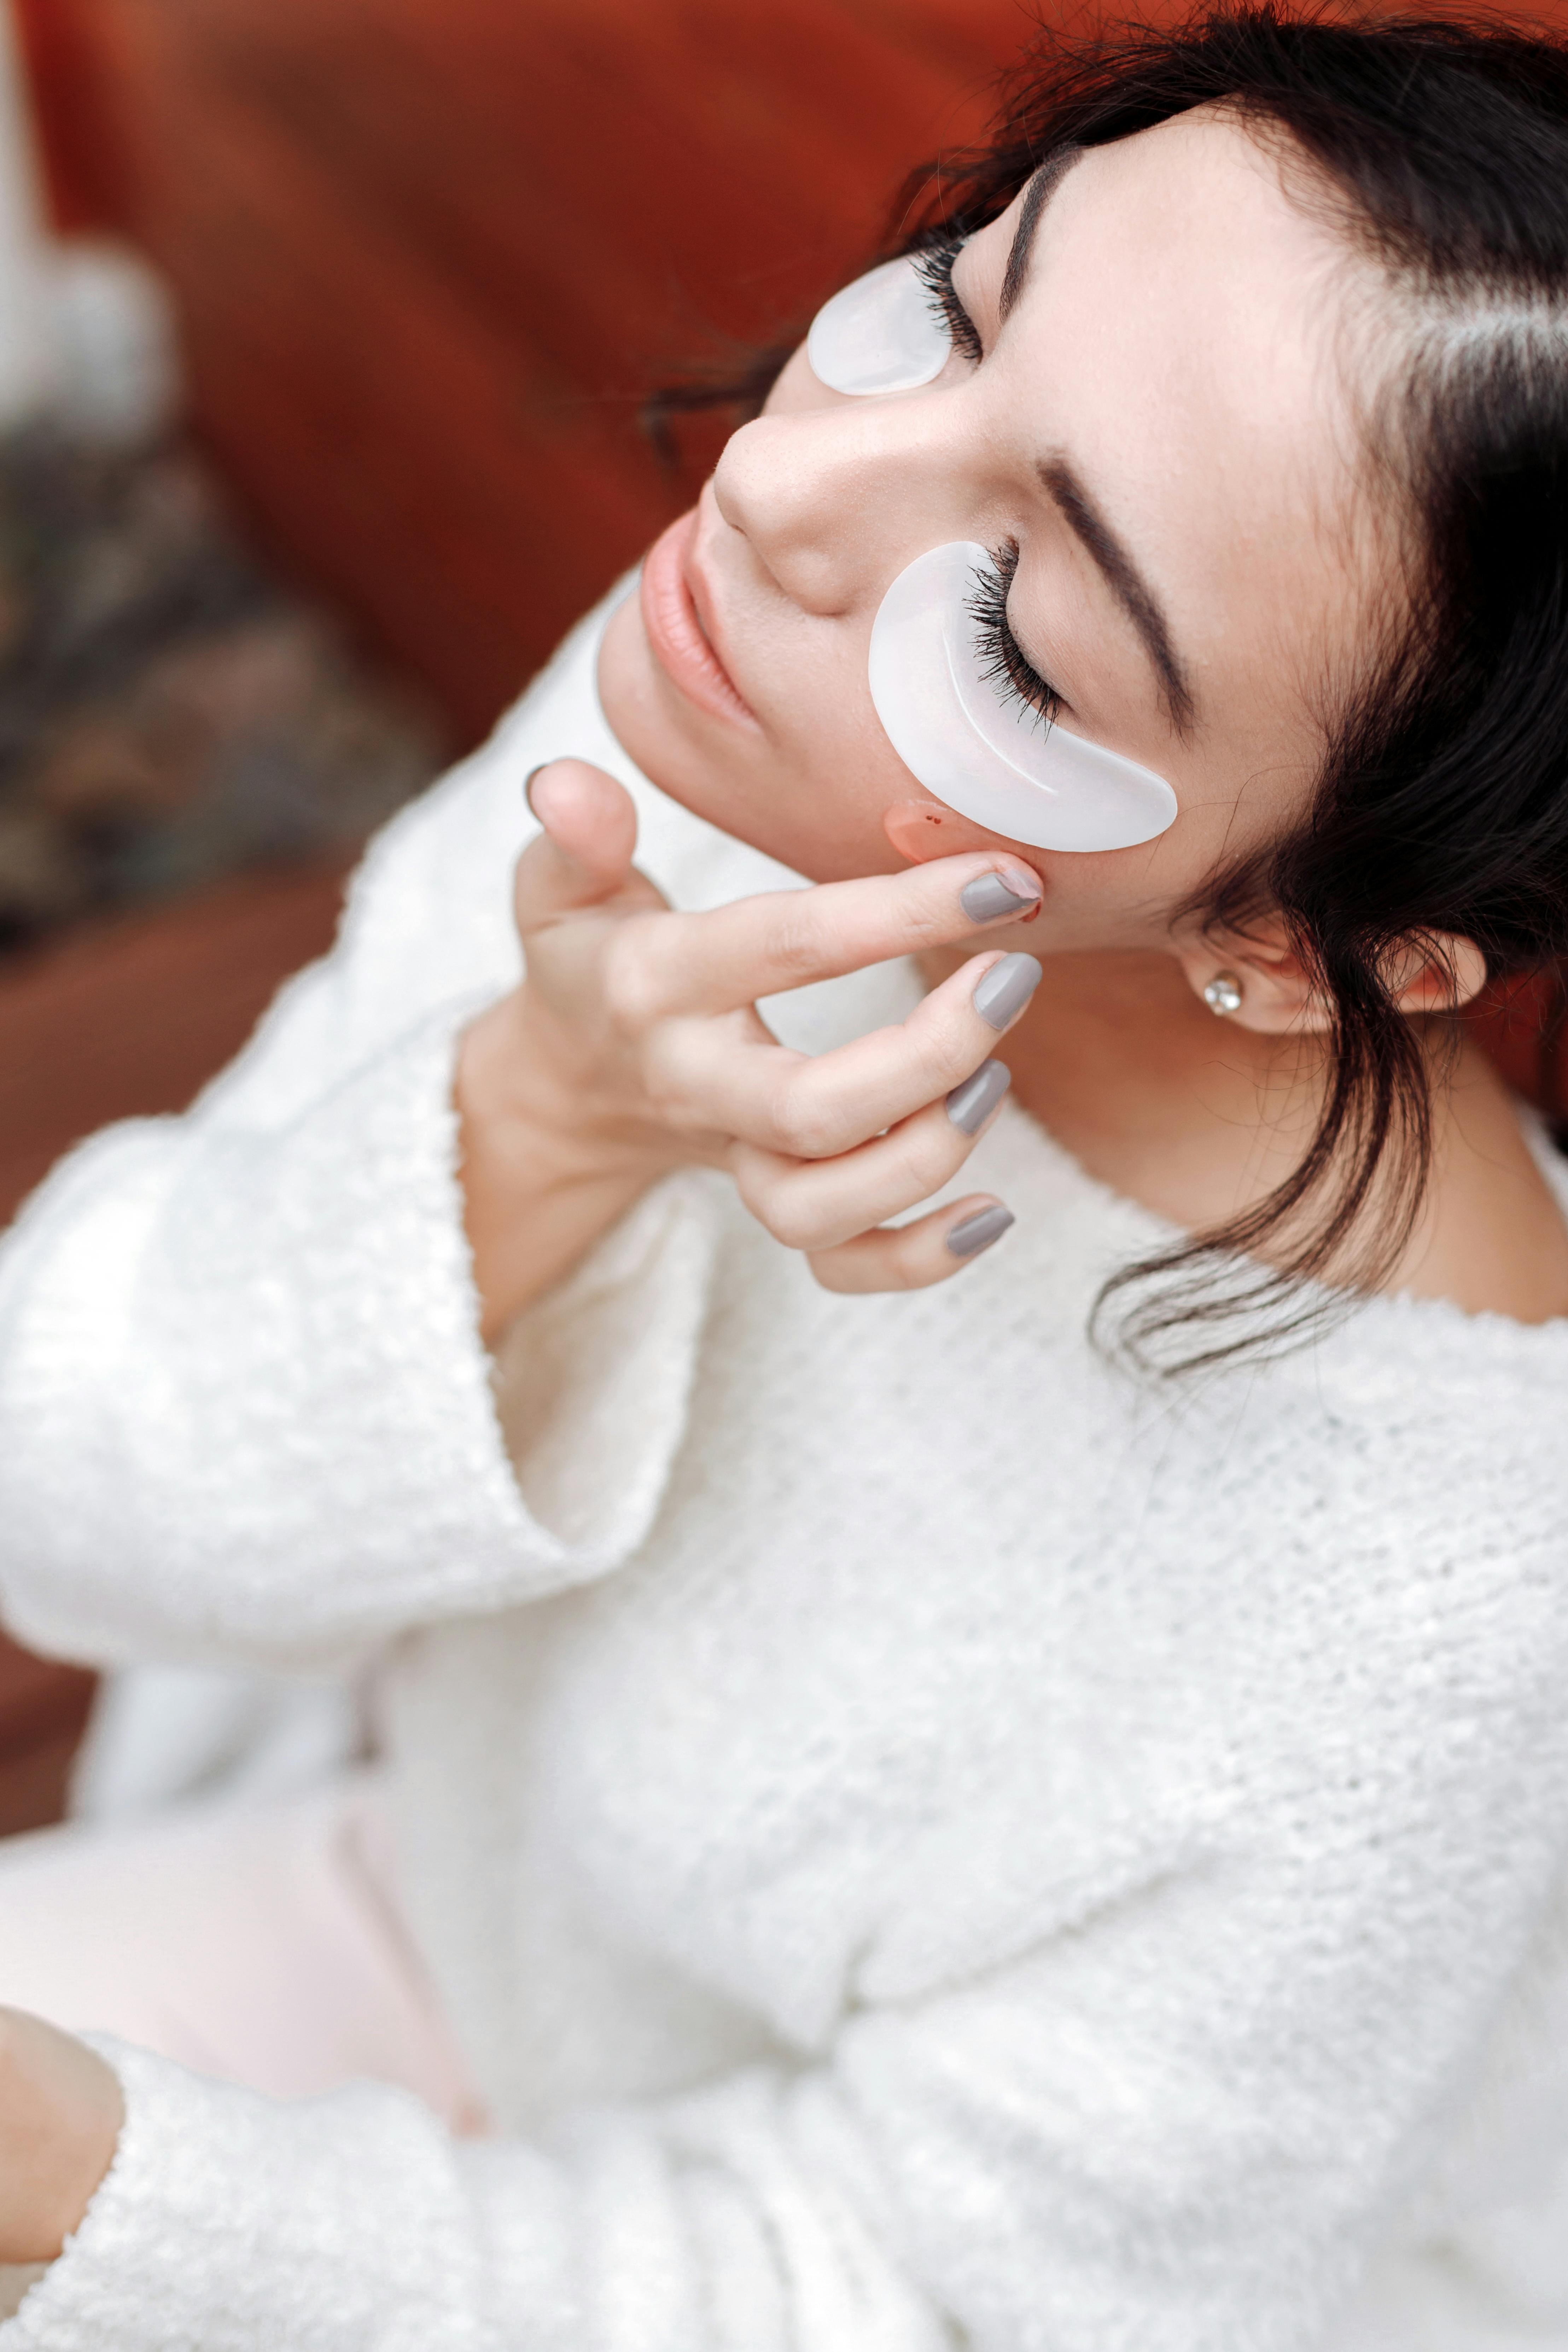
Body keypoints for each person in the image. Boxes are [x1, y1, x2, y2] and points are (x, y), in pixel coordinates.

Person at [3, 7, 1568, 2343]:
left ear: (1292, 936)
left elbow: (923, 2301)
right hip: (426, 1927)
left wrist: (120, 2196)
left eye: (1020, 628)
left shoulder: (1434, 1595)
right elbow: (62, 1479)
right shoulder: (750, 744)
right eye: (958, 297)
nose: (783, 489)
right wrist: (541, 1123)